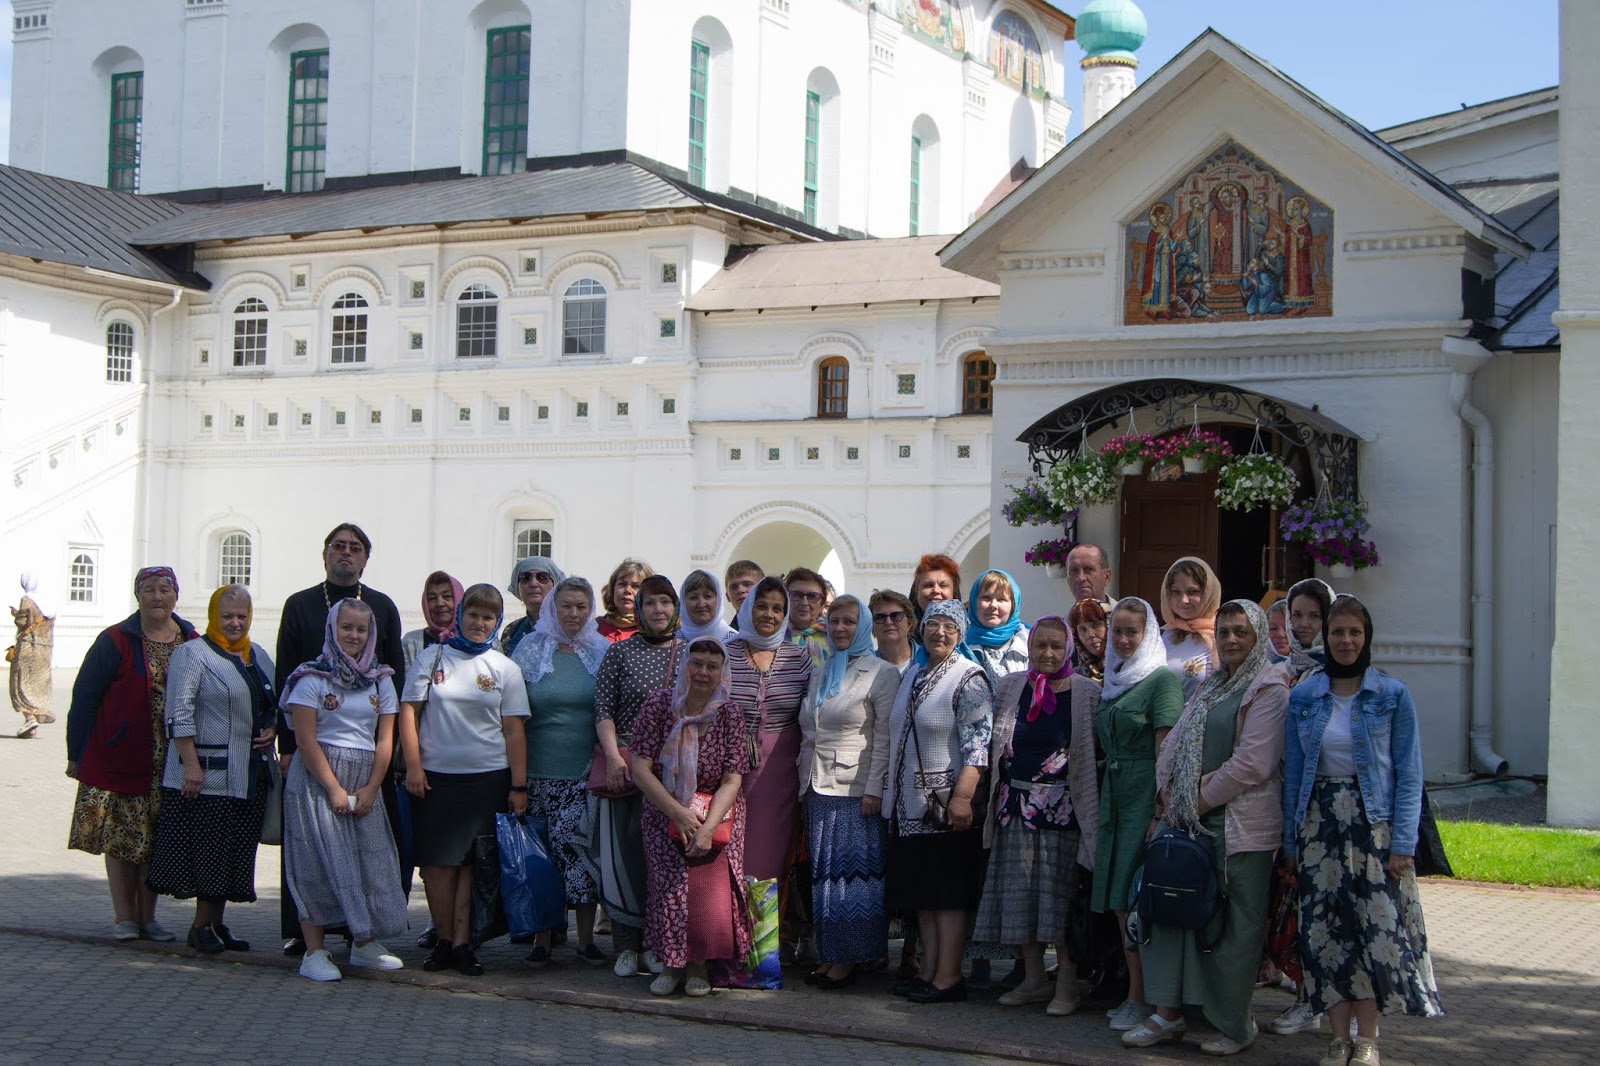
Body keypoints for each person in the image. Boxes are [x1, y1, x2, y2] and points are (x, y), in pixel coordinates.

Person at [1122, 600, 1290, 1055]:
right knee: (1173, 912)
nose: (1231, 639)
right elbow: (1174, 743)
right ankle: (1167, 1014)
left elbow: (1252, 763)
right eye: (1225, 631)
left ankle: (1234, 1024)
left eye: (1241, 632)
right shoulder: (1213, 684)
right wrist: (1167, 792)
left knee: (1236, 927)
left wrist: (1195, 799)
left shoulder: (1270, 688)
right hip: (1187, 822)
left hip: (1241, 827)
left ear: (1258, 637)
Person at [1282, 596, 1442, 1066]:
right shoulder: (1305, 697)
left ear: (1366, 636)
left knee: (1374, 931)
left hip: (1373, 830)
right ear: (1326, 638)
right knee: (1326, 934)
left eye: (1354, 632)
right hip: (1319, 829)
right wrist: (1291, 843)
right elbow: (1293, 776)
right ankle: (1338, 1038)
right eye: (1337, 632)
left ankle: (1367, 1038)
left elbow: (1410, 775)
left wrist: (1403, 844)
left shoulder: (1392, 695)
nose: (1346, 641)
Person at [275, 523, 407, 953]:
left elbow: (395, 681)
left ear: (366, 558)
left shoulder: (382, 606)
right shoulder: (300, 604)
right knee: (312, 849)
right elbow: (284, 673)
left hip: (367, 750)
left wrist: (394, 757)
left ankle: (360, 936)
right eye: (338, 546)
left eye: (355, 547)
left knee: (366, 850)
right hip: (315, 744)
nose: (346, 553)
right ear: (325, 553)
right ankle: (306, 938)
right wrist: (287, 747)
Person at [399, 583, 530, 977]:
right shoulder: (432, 657)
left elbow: (514, 731)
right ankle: (441, 941)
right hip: (435, 779)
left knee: (471, 867)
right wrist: (413, 766)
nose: (479, 623)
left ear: (497, 621)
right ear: (460, 616)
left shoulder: (504, 668)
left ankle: (462, 944)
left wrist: (518, 786)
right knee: (437, 866)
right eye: (473, 614)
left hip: (487, 779)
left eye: (488, 617)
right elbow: (409, 713)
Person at [974, 616, 1100, 1016]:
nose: (1047, 653)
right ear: (1028, 648)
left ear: (1069, 649)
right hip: (1013, 808)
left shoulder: (1086, 692)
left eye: (1056, 646)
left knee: (1057, 899)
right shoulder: (1012, 686)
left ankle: (1066, 984)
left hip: (1062, 812)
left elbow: (1090, 754)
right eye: (1040, 645)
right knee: (1021, 897)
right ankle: (1033, 980)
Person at [66, 566, 197, 942]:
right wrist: (76, 753)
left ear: (176, 596)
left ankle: (148, 918)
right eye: (149, 589)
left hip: (171, 759)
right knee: (121, 838)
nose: (158, 597)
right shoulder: (115, 639)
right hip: (122, 753)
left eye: (165, 589)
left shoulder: (191, 639)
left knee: (155, 838)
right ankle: (125, 917)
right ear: (137, 595)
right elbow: (85, 697)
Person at [147, 585, 277, 954]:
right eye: (227, 616)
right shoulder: (193, 654)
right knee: (209, 853)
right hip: (207, 777)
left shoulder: (257, 655)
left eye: (242, 616)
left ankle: (218, 923)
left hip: (248, 775)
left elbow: (274, 703)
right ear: (213, 616)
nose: (235, 623)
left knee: (233, 852)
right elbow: (178, 713)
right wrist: (190, 765)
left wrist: (272, 728)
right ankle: (200, 926)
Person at [884, 599, 993, 1005]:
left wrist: (963, 798)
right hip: (909, 807)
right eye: (933, 624)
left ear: (960, 633)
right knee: (924, 897)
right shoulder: (913, 674)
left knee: (947, 897)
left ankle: (949, 977)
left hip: (944, 807)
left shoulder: (969, 678)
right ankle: (928, 972)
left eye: (949, 626)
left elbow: (978, 746)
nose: (940, 633)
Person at [631, 638, 753, 997]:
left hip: (716, 815)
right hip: (664, 810)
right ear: (684, 665)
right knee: (668, 890)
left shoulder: (729, 713)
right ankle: (671, 965)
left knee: (705, 894)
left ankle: (699, 965)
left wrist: (706, 828)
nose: (703, 672)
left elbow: (732, 779)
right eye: (696, 663)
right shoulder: (658, 706)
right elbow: (641, 769)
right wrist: (678, 814)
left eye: (712, 666)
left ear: (722, 672)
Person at [1091, 597, 1184, 1032]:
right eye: (1118, 631)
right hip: (1115, 795)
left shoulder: (1162, 680)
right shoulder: (1114, 678)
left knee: (1136, 900)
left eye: (1133, 632)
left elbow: (1166, 752)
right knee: (1117, 900)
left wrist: (1159, 812)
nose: (1124, 640)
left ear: (1148, 636)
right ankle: (1135, 992)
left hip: (1144, 796)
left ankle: (1143, 997)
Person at [797, 594, 898, 988]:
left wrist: (875, 789)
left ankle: (852, 957)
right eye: (834, 621)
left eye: (849, 622)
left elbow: (884, 737)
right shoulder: (823, 670)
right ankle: (832, 953)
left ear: (864, 626)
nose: (839, 629)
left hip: (856, 791)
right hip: (817, 787)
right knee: (824, 875)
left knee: (853, 878)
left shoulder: (881, 672)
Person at [511, 575, 610, 967]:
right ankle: (543, 938)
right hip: (537, 773)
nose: (573, 613)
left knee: (581, 854)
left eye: (581, 607)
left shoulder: (601, 650)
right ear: (552, 608)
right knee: (543, 858)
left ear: (591, 610)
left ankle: (585, 940)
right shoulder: (531, 647)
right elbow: (513, 711)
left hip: (584, 775)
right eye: (565, 606)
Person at [591, 574, 684, 977]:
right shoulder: (620, 652)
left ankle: (657, 943)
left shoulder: (689, 652)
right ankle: (625, 946)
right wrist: (614, 757)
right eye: (650, 602)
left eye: (665, 601)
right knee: (622, 855)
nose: (658, 610)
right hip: (626, 767)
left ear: (675, 607)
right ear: (639, 609)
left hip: (672, 769)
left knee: (662, 859)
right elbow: (603, 709)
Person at [723, 577, 812, 886]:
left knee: (770, 856)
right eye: (761, 606)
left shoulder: (799, 658)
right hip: (728, 769)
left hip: (781, 774)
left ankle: (764, 919)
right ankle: (731, 916)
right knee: (728, 847)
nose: (769, 615)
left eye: (777, 609)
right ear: (747, 609)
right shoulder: (725, 654)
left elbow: (811, 716)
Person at [1160, 557, 1221, 699]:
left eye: (1193, 592)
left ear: (1208, 593)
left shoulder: (1220, 636)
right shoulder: (1162, 636)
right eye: (1176, 592)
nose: (1184, 600)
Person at [8, 573, 55, 737]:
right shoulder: (47, 603)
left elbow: (22, 622)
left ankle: (29, 718)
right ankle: (32, 725)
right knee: (38, 685)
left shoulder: (27, 599)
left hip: (27, 648)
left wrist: (16, 614)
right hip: (44, 651)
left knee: (20, 683)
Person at [966, 569, 1030, 688]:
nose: (993, 605)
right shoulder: (960, 645)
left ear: (1013, 605)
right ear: (974, 602)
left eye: (1002, 599)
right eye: (986, 598)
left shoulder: (1031, 641)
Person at [501, 557, 567, 656]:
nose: (533, 584)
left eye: (542, 577)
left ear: (555, 585)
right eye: (525, 577)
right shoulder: (512, 631)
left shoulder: (568, 629)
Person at [402, 571, 464, 670]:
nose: (439, 603)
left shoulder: (474, 640)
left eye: (447, 596)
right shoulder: (411, 642)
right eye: (432, 598)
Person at [1285, 578, 1336, 681]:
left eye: (1314, 616)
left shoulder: (1339, 672)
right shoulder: (1283, 670)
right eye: (1297, 615)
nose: (1304, 624)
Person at [784, 567, 832, 668]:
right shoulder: (774, 637)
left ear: (822, 604)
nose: (804, 603)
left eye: (812, 596)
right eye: (796, 595)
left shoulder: (833, 636)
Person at [598, 558, 653, 643]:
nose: (627, 590)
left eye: (636, 586)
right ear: (612, 589)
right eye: (622, 584)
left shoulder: (654, 632)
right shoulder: (593, 628)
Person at [679, 569, 737, 645]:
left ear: (718, 600)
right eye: (693, 597)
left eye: (707, 596)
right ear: (683, 602)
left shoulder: (735, 640)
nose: (701, 604)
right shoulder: (673, 642)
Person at [870, 590, 918, 676]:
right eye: (880, 617)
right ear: (872, 628)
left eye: (896, 616)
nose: (888, 622)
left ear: (909, 624)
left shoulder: (929, 660)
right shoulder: (864, 667)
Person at [909, 554, 961, 623]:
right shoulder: (900, 627)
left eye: (943, 585)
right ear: (916, 590)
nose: (936, 590)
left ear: (954, 592)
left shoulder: (969, 628)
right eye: (928, 585)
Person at [1066, 545, 1117, 611]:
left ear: (1107, 577)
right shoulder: (1062, 617)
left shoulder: (1126, 616)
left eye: (1089, 569)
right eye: (1074, 570)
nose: (1081, 578)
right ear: (1068, 579)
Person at [1069, 598, 1108, 682]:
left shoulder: (1129, 668)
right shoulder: (1073, 680)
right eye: (1083, 629)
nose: (1090, 634)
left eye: (1096, 625)